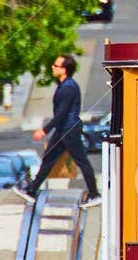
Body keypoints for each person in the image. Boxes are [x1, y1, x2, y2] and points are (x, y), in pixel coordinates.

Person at [20, 54, 99, 203]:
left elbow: (62, 113)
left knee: (81, 160)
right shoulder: (65, 85)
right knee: (49, 158)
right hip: (64, 129)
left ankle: (94, 194)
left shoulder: (69, 87)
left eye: (55, 66)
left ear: (64, 70)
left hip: (68, 130)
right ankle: (31, 190)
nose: (52, 67)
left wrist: (44, 130)